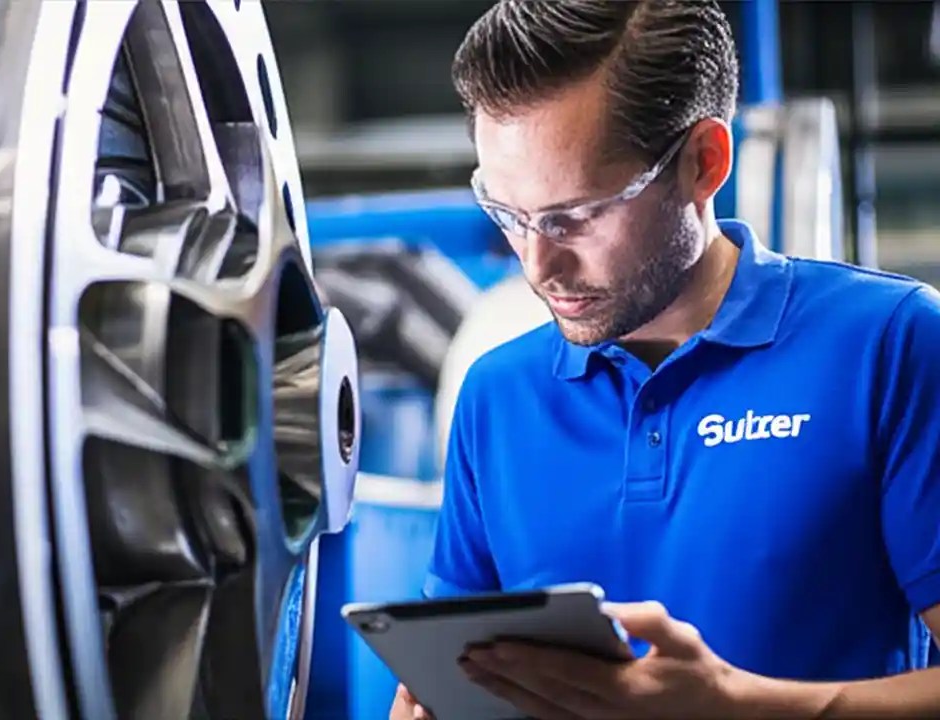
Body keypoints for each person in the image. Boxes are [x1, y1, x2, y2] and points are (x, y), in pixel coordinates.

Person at [391, 1, 940, 718]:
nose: (538, 264)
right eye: (509, 216)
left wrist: (741, 708)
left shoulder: (887, 346)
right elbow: (455, 688)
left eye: (575, 217)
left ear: (704, 163)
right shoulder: (496, 396)